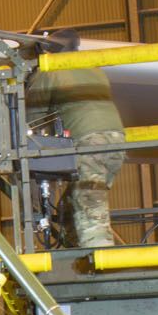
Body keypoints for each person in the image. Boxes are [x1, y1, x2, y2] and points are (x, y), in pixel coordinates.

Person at [27, 33, 126, 249]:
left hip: (90, 142)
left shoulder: (50, 69)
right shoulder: (93, 69)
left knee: (89, 202)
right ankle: (75, 255)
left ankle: (101, 262)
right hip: (117, 142)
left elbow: (33, 116)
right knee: (72, 202)